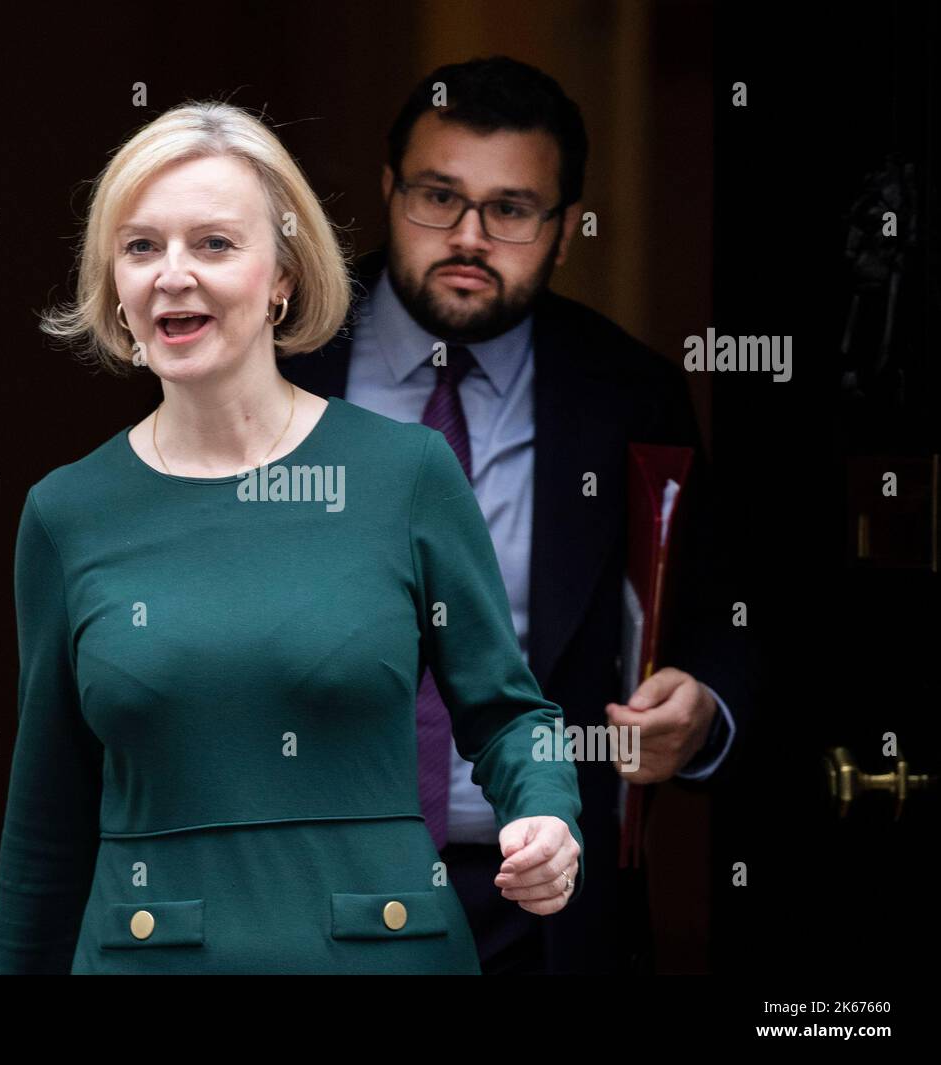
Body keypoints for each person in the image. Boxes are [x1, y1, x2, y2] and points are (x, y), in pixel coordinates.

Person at [0, 100, 584, 975]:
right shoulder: (67, 512)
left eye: (215, 244)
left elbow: (506, 714)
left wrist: (546, 810)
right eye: (141, 246)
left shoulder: (406, 473)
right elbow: (47, 816)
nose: (172, 275)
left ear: (283, 277)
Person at [281, 56, 757, 974]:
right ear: (388, 191)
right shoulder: (279, 359)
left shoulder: (630, 393)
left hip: (543, 913)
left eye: (510, 210)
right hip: (296, 888)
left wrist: (702, 710)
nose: (467, 236)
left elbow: (718, 608)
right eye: (437, 197)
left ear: (567, 228)